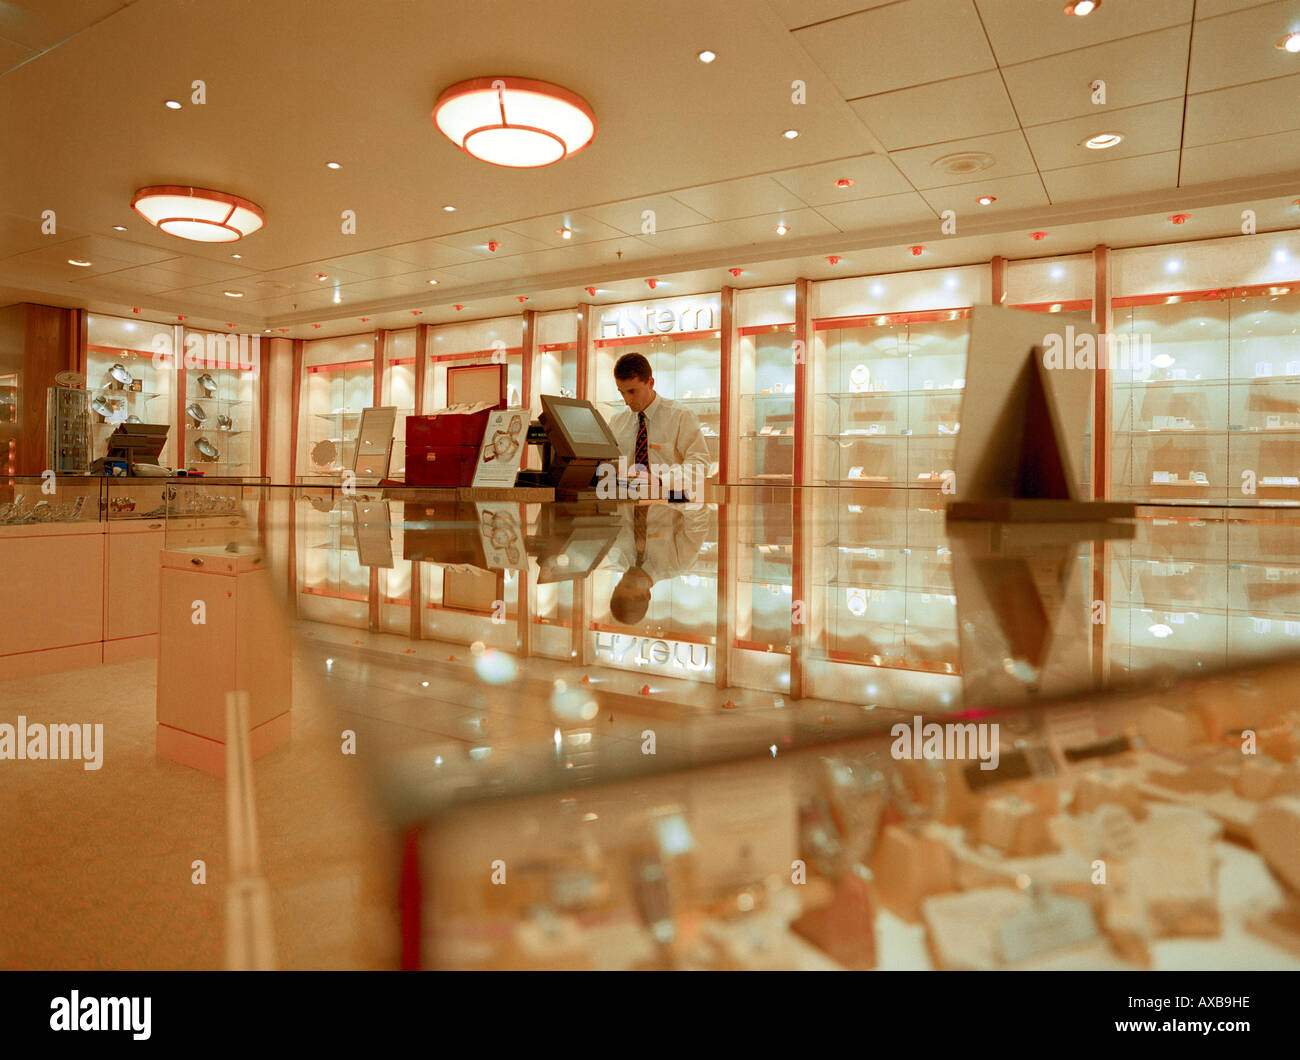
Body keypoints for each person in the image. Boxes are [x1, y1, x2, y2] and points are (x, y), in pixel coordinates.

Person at [608, 353, 710, 500]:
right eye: (622, 392)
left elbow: (699, 464)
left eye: (632, 391)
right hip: (627, 511)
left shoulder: (681, 416)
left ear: (650, 383)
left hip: (670, 511)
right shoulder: (617, 422)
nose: (627, 400)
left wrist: (660, 481)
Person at [607, 501, 709, 626]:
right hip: (668, 484)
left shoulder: (615, 556)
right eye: (630, 585)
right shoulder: (678, 563)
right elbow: (699, 513)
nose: (627, 576)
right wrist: (662, 496)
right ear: (647, 594)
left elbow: (607, 509)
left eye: (621, 583)